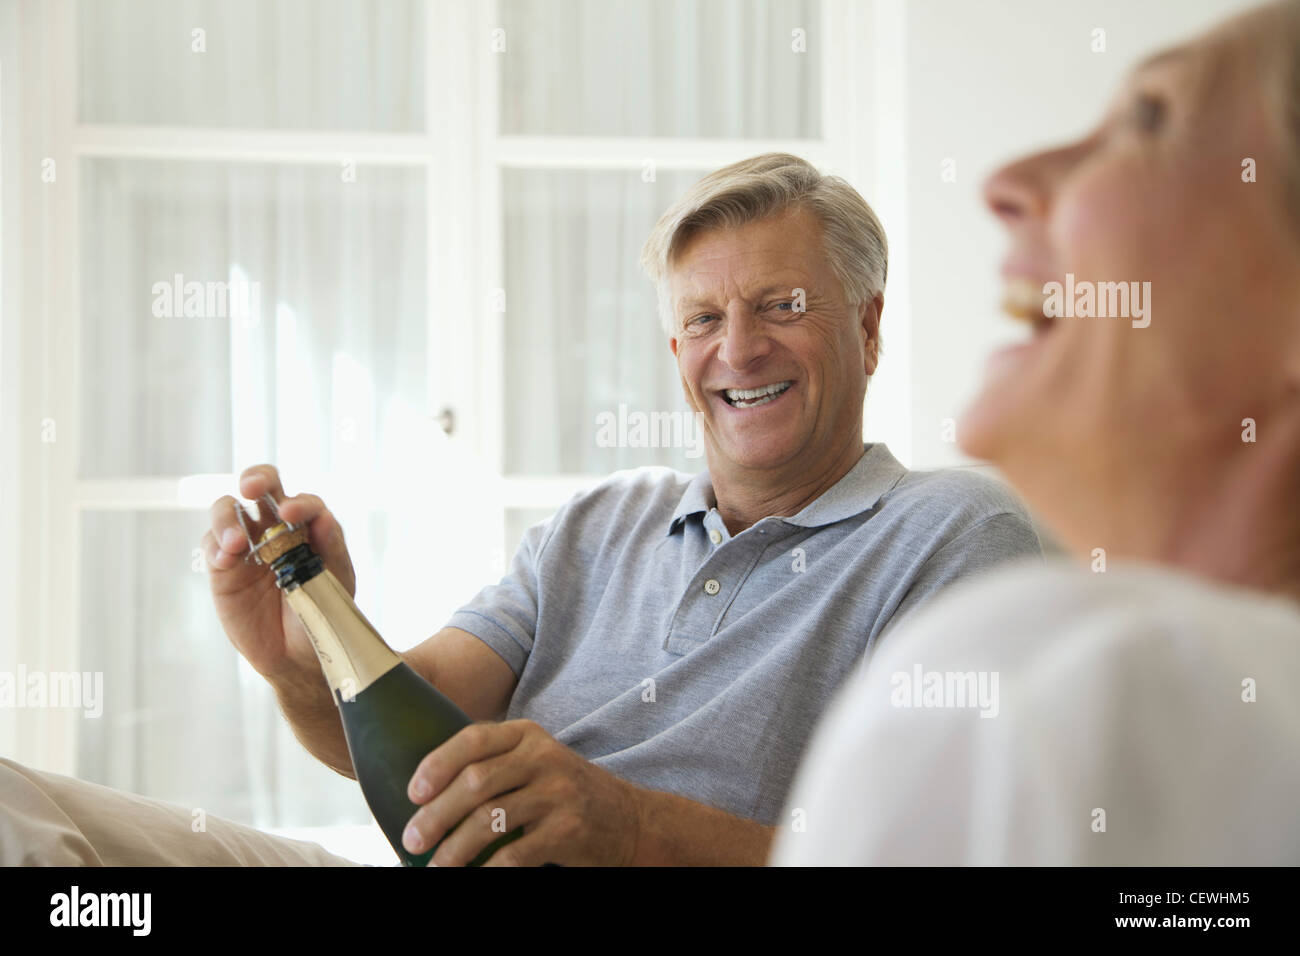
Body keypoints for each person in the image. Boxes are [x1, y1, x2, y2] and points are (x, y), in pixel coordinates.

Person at [0, 155, 1040, 866]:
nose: (739, 348)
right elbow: (421, 751)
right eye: (703, 319)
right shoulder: (597, 523)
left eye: (781, 306)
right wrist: (296, 659)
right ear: (674, 354)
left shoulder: (953, 535)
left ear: (866, 322)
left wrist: (625, 825)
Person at [770, 0, 1300, 866]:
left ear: (867, 331)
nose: (1005, 177)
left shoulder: (1062, 684)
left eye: (1152, 117)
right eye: (701, 319)